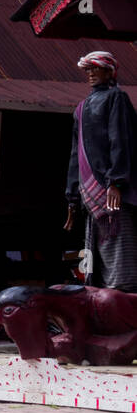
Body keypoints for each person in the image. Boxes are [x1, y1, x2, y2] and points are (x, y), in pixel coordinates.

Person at [65, 50, 137, 292]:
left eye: (96, 68)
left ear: (109, 72)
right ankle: (104, 294)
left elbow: (121, 140)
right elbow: (76, 154)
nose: (91, 73)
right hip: (90, 193)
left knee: (119, 244)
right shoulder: (81, 108)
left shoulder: (117, 98)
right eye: (88, 70)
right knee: (96, 248)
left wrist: (116, 182)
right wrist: (72, 198)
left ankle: (123, 295)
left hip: (111, 189)